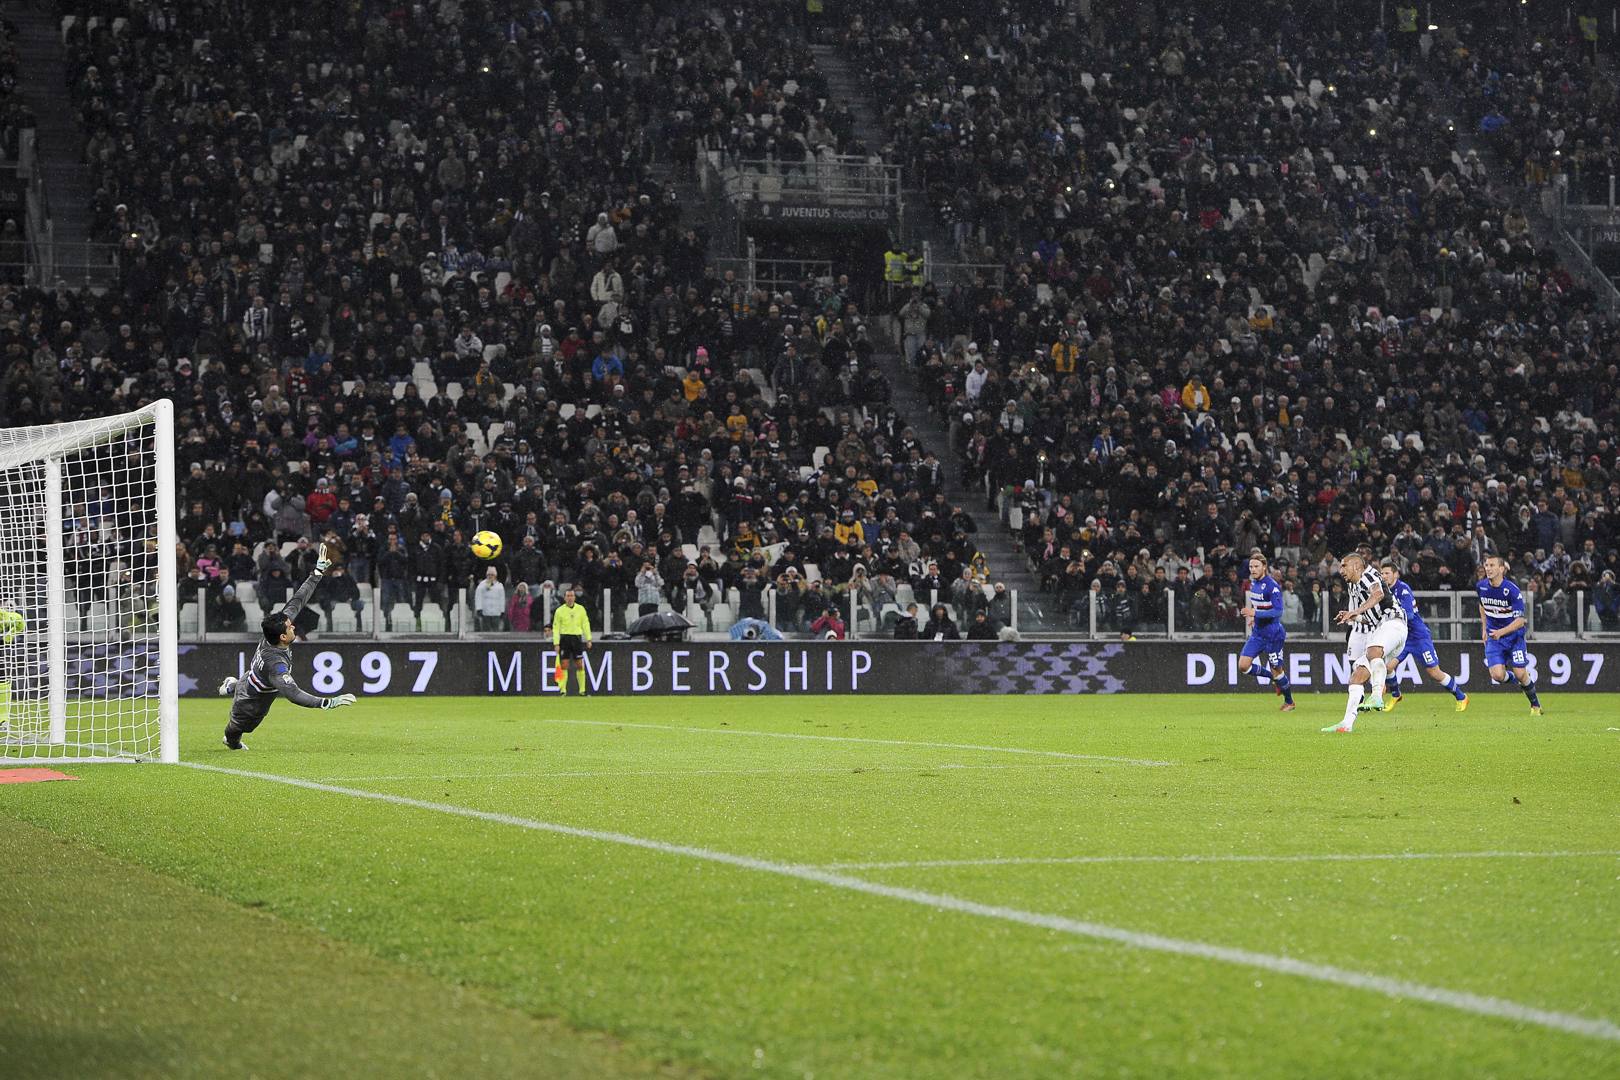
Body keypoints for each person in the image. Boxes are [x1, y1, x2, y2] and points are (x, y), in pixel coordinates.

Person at [217, 543, 356, 749]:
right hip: (252, 700)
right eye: (290, 628)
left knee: (251, 680)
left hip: (253, 677)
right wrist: (327, 702)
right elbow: (293, 694)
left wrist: (317, 572)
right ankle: (231, 738)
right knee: (239, 728)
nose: (294, 626)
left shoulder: (273, 633)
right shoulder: (277, 664)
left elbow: (298, 599)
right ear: (283, 636)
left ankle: (231, 685)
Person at [1324, 552, 1407, 734]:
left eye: (1344, 566)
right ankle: (1346, 724)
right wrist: (1353, 616)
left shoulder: (1369, 575)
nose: (1341, 571)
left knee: (1373, 650)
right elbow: (1370, 618)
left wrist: (1356, 610)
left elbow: (1377, 594)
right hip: (1382, 628)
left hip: (1394, 622)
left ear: (1356, 566)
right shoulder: (1354, 586)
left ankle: (1377, 696)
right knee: (1357, 677)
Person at [1378, 560, 1467, 713]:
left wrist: (1390, 617)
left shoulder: (1403, 589)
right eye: (1382, 573)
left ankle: (1461, 696)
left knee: (1434, 673)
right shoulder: (1382, 591)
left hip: (1418, 636)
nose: (1384, 576)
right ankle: (1396, 695)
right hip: (1402, 638)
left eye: (1387, 573)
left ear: (1396, 575)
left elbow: (1410, 615)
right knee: (1387, 667)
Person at [1477, 554, 1542, 715]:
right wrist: (1484, 628)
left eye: (1492, 565)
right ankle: (1522, 682)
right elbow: (1482, 605)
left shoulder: (1512, 590)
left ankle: (1535, 705)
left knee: (1521, 672)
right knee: (1498, 676)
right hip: (1494, 637)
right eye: (1486, 565)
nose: (1488, 568)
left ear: (1501, 569)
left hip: (1514, 637)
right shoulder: (1481, 586)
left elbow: (1521, 621)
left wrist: (1501, 632)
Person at [1237, 554, 1295, 711]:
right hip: (1258, 633)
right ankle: (1272, 678)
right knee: (1243, 666)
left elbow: (1278, 612)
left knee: (1277, 669)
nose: (1253, 569)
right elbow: (1263, 607)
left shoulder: (1272, 586)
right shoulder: (1253, 584)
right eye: (1251, 567)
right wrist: (1255, 619)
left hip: (1274, 635)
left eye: (1256, 566)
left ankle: (1289, 701)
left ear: (1264, 567)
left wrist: (1255, 614)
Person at [551, 587, 593, 696]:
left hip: (576, 638)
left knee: (580, 665)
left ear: (574, 597)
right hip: (565, 638)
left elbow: (585, 623)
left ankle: (582, 691)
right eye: (568, 596)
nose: (570, 598)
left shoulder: (581, 609)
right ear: (564, 598)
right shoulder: (559, 611)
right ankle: (563, 690)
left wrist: (588, 638)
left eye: (572, 596)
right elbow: (556, 628)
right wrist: (556, 643)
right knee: (564, 665)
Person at [0, 605, 23, 733]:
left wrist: (11, 632)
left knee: (2, 680)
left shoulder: (4, 616)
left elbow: (20, 623)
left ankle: (3, 720)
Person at [473, 566, 506, 631]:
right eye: (489, 575)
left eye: (492, 575)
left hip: (496, 612)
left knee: (496, 630)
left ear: (495, 576)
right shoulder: (481, 585)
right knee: (485, 631)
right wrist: (479, 609)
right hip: (485, 612)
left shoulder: (500, 585)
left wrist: (502, 610)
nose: (490, 576)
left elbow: (502, 599)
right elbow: (478, 597)